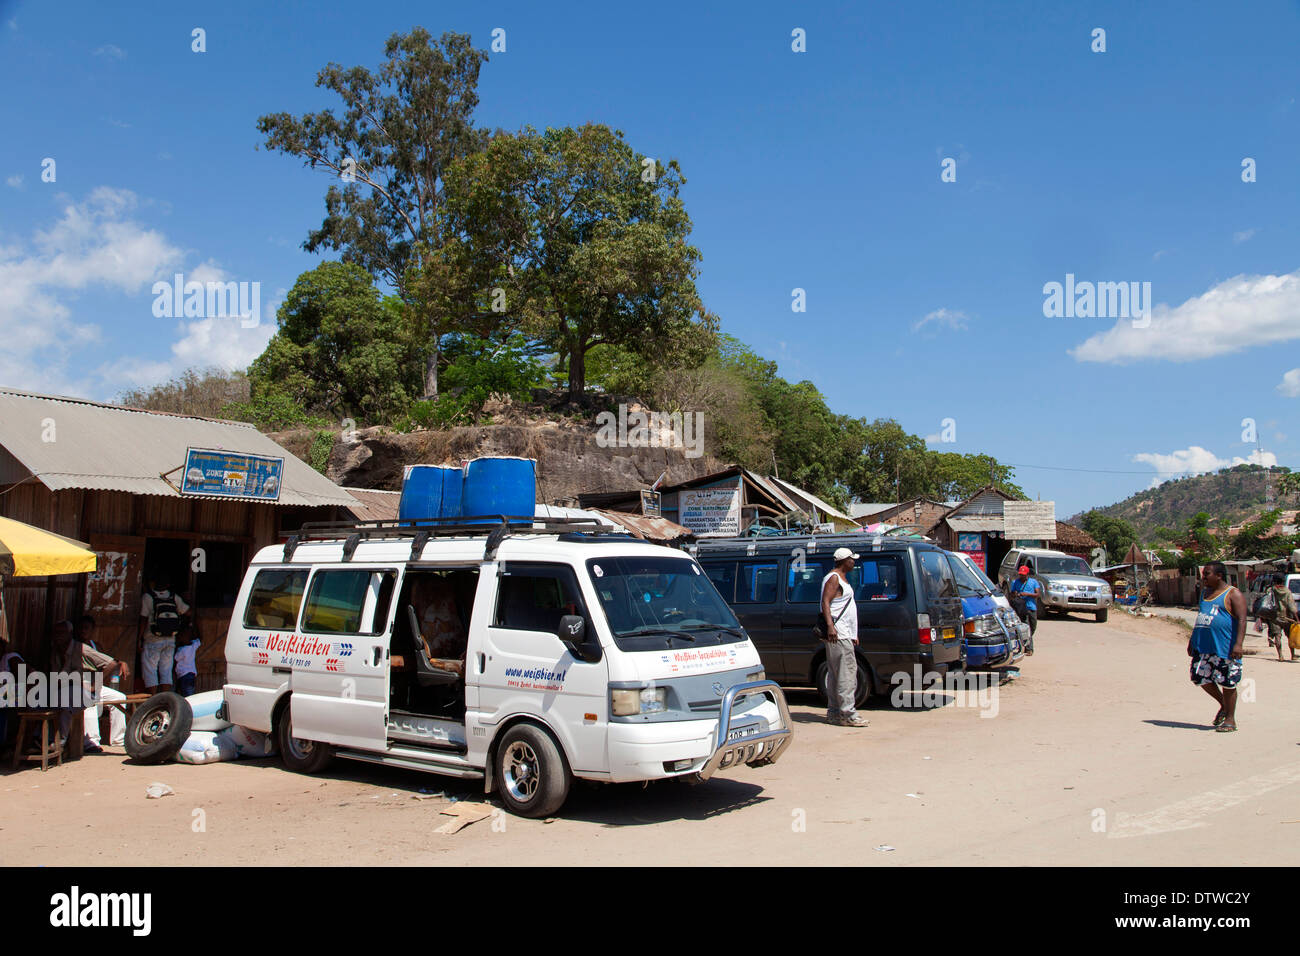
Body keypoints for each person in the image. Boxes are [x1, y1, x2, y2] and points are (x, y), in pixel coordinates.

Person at [1188, 561, 1247, 733]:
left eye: (1207, 574)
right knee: (1198, 677)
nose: (1203, 577)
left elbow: (1242, 620)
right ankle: (1223, 704)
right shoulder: (1205, 594)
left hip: (1225, 647)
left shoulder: (1233, 594)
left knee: (1227, 682)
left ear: (1219, 575)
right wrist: (1193, 640)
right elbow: (1201, 617)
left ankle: (1230, 719)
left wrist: (1238, 644)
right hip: (1204, 647)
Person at [820, 547, 868, 728]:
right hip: (839, 634)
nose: (854, 562)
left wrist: (853, 633)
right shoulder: (834, 578)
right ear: (843, 561)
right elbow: (826, 602)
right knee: (846, 675)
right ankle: (848, 714)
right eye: (851, 559)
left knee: (836, 675)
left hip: (843, 633)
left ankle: (834, 713)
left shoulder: (838, 578)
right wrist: (831, 627)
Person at [77, 615, 129, 752]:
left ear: (93, 630)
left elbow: (107, 662)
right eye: (81, 628)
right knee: (90, 702)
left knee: (120, 697)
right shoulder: (76, 647)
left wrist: (120, 662)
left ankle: (118, 739)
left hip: (96, 684)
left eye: (86, 628)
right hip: (81, 685)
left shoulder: (96, 646)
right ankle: (92, 743)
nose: (83, 631)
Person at [138, 574, 189, 693]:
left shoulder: (148, 597)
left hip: (152, 640)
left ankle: (153, 699)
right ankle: (165, 699)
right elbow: (188, 611)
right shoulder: (173, 597)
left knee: (150, 671)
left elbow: (144, 619)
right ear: (168, 584)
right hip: (170, 640)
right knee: (166, 671)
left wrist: (139, 638)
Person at [1265, 573, 1298, 663]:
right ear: (1283, 581)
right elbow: (1291, 606)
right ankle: (1292, 655)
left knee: (1277, 636)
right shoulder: (1287, 591)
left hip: (1274, 617)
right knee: (1289, 637)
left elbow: (1266, 603)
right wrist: (1297, 619)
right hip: (1286, 618)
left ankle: (1280, 656)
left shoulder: (1271, 590)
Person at [1008, 565, 1041, 635]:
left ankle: (1029, 637)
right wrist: (1015, 594)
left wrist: (1027, 594)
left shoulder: (1034, 582)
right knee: (1024, 625)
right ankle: (1027, 640)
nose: (1022, 576)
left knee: (1033, 626)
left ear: (1027, 574)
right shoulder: (1015, 582)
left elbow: (1037, 594)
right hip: (1021, 608)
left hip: (1031, 607)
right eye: (1020, 574)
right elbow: (1011, 594)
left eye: (1023, 575)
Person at [173, 625, 200, 696]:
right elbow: (199, 640)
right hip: (192, 674)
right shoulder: (193, 645)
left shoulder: (182, 650)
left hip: (184, 675)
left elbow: (175, 658)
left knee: (186, 695)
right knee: (189, 695)